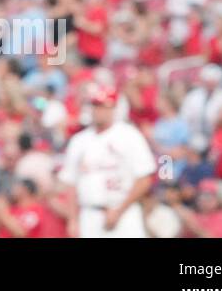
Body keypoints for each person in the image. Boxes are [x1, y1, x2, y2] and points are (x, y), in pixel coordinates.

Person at [57, 83, 157, 238]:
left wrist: (120, 210)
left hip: (124, 213)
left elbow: (144, 179)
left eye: (103, 106)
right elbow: (71, 185)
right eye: (95, 105)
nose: (98, 110)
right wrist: (72, 220)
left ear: (114, 107)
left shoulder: (129, 135)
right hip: (89, 214)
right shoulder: (79, 141)